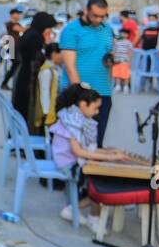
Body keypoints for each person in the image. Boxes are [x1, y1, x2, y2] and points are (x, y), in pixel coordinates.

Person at [48, 84, 131, 223]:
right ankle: (78, 211)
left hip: (73, 160)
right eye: (95, 108)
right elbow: (79, 151)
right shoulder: (72, 122)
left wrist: (109, 151)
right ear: (83, 104)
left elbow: (87, 148)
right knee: (101, 180)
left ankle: (92, 214)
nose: (97, 112)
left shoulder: (76, 117)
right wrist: (110, 157)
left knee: (102, 170)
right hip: (68, 164)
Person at [59, 0, 116, 147]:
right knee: (77, 145)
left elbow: (106, 55)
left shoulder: (107, 29)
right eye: (95, 16)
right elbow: (70, 66)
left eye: (102, 16)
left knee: (96, 143)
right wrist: (81, 95)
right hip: (80, 94)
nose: (98, 20)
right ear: (86, 11)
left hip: (103, 92)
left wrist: (112, 59)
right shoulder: (71, 30)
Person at [11, 11, 57, 131]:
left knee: (20, 107)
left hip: (24, 72)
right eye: (48, 28)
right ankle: (24, 139)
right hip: (28, 75)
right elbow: (37, 58)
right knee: (25, 107)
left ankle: (19, 139)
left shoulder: (30, 33)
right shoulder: (35, 37)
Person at [34, 42, 64, 133]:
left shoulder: (56, 68)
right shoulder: (47, 71)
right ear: (54, 54)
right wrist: (47, 114)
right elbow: (44, 93)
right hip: (48, 114)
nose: (63, 57)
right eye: (61, 54)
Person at [0, 9, 22, 90]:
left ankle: (6, 82)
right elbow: (20, 29)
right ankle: (5, 83)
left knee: (16, 65)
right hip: (12, 46)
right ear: (13, 15)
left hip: (16, 47)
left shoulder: (17, 24)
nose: (19, 16)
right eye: (17, 14)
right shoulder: (10, 24)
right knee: (16, 64)